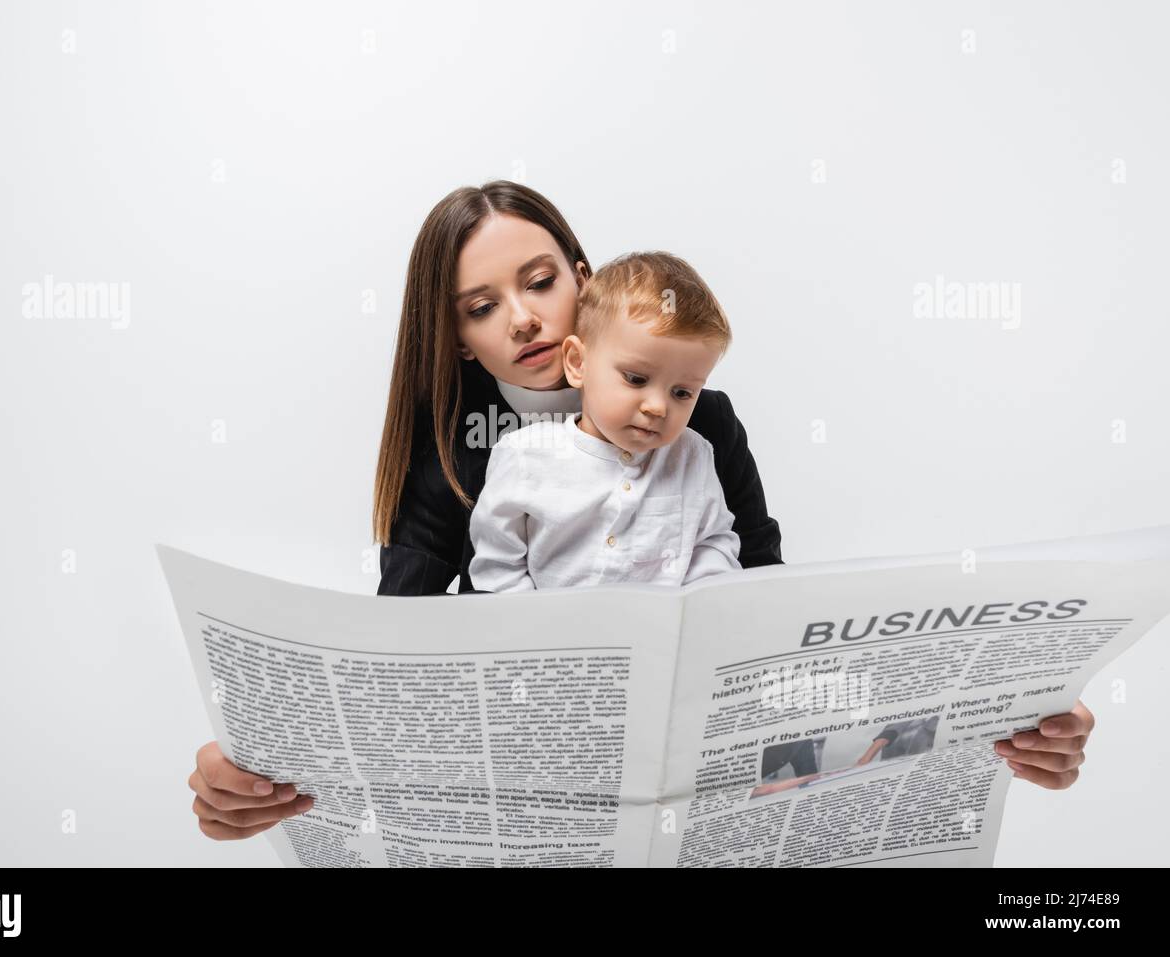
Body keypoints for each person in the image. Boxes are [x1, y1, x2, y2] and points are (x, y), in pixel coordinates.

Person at [185, 181, 1094, 841]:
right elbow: (395, 641)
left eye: (541, 281)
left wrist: (1004, 719)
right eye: (481, 306)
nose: (524, 319)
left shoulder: (701, 426)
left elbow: (766, 599)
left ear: (585, 278)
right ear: (455, 336)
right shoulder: (456, 448)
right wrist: (258, 768)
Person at [467, 251, 744, 591]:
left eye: (682, 393)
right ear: (578, 363)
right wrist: (532, 631)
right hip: (553, 638)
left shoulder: (692, 455)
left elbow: (711, 544)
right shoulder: (525, 456)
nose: (658, 407)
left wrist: (705, 602)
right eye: (636, 379)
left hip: (657, 637)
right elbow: (497, 565)